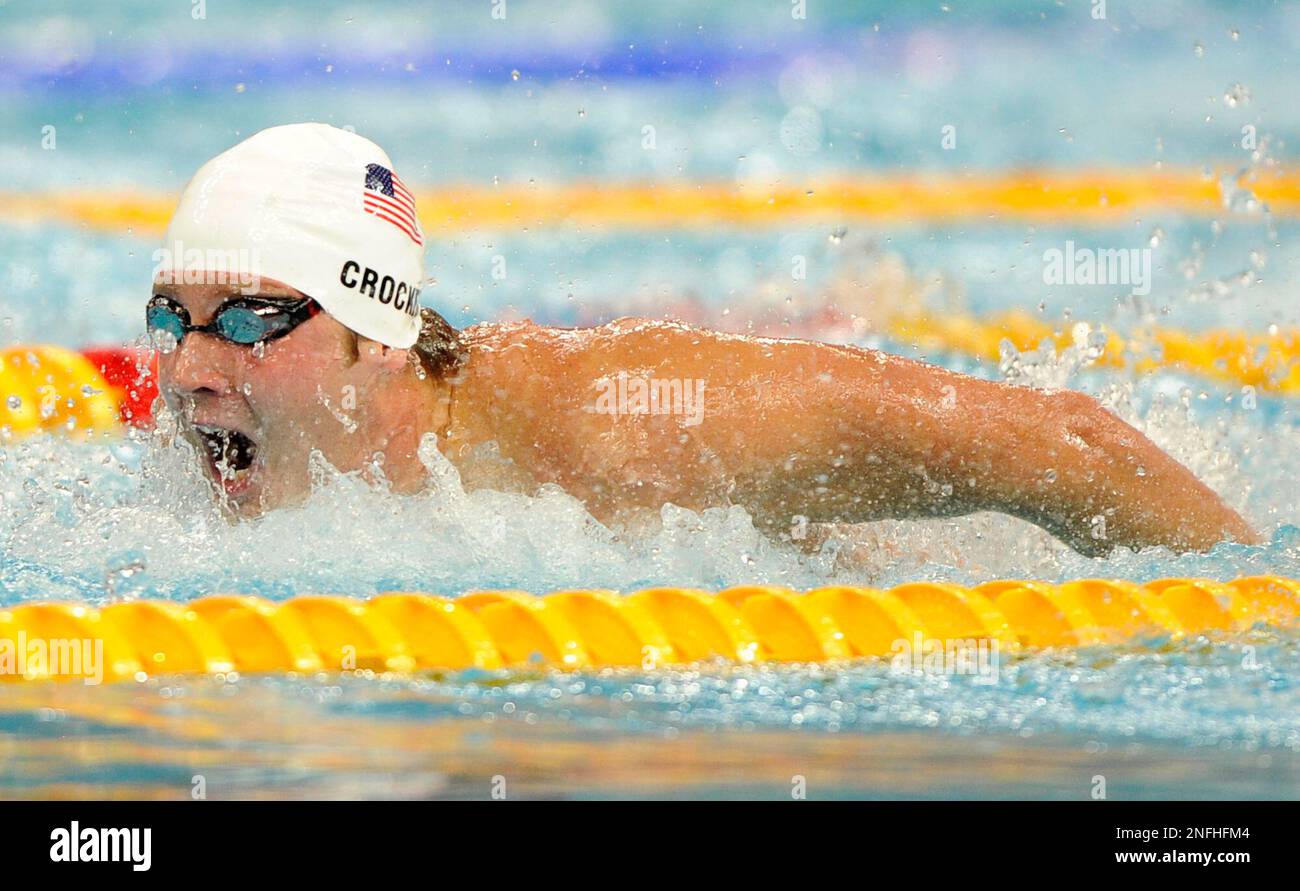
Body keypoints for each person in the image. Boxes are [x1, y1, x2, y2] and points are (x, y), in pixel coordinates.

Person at [148, 123, 1257, 557]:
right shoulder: (234, 484)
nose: (192, 371)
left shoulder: (603, 426)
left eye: (247, 321)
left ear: (378, 329)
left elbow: (1066, 439)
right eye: (174, 321)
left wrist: (1251, 614)